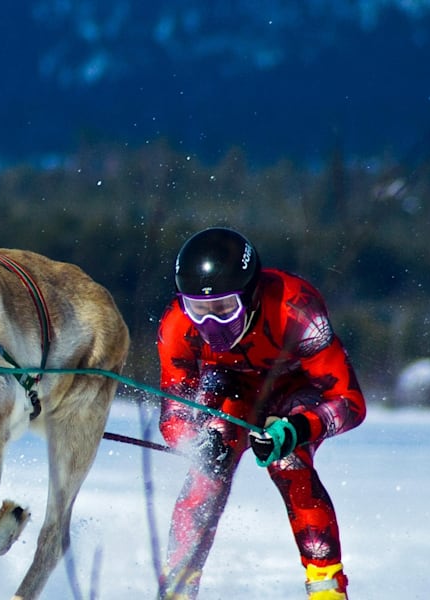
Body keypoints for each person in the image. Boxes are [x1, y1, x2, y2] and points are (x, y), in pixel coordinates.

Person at [155, 227, 366, 600]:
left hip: (293, 387)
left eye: (224, 309)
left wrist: (298, 429)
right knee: (208, 471)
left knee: (288, 463)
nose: (211, 324)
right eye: (198, 309)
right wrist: (196, 443)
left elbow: (350, 402)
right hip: (234, 387)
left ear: (251, 295)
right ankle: (177, 589)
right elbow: (174, 411)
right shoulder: (176, 327)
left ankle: (327, 590)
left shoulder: (297, 312)